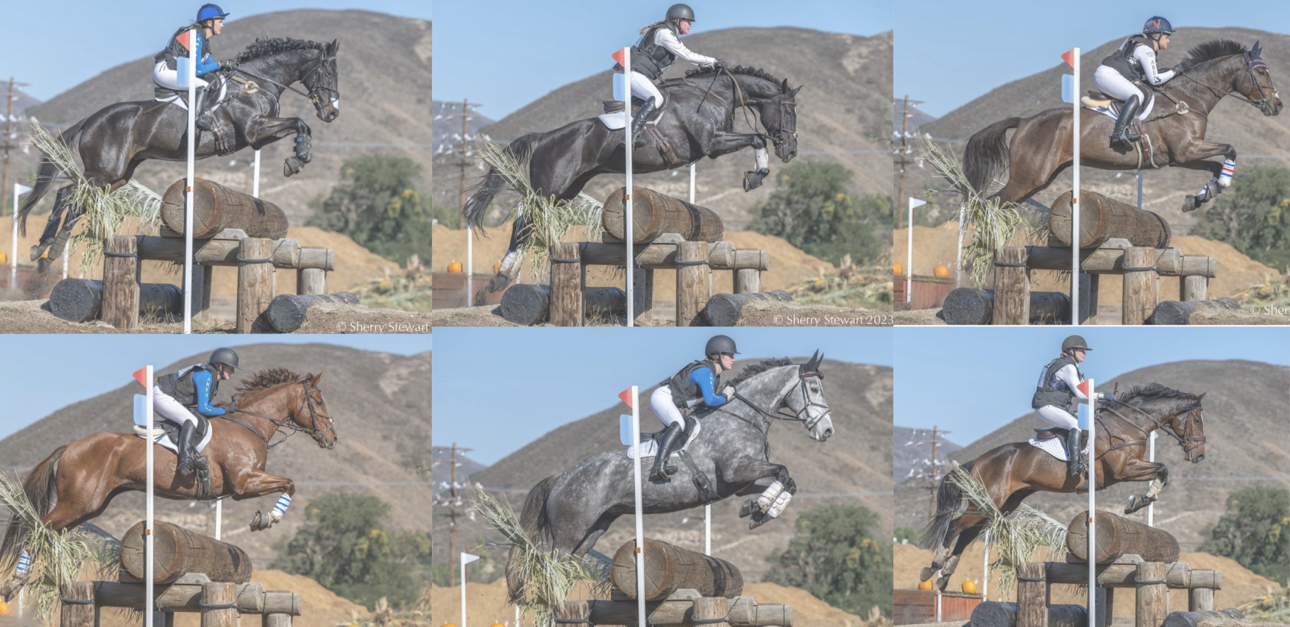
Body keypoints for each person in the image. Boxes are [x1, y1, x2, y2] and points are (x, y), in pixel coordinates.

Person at [617, 4, 726, 147]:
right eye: (688, 21)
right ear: (677, 20)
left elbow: (691, 59)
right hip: (631, 73)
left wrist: (710, 66)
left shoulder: (673, 38)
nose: (690, 25)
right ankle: (630, 136)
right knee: (657, 98)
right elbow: (688, 55)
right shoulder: (664, 34)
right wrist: (714, 61)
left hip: (637, 74)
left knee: (661, 98)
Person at [647, 335, 739, 481]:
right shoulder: (705, 372)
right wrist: (726, 396)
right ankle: (657, 466)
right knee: (678, 424)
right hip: (662, 397)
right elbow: (711, 400)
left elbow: (703, 403)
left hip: (671, 401)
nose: (733, 359)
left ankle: (654, 446)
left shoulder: (713, 375)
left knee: (684, 426)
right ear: (717, 355)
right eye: (730, 355)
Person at [1093, 16, 1184, 148]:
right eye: (1166, 37)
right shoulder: (1146, 50)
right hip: (1108, 75)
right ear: (1157, 36)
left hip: (1105, 74)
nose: (1168, 40)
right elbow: (1154, 79)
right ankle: (1118, 133)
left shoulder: (1135, 41)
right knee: (1137, 95)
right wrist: (1174, 72)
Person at [1031, 335, 1114, 477]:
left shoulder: (1067, 364)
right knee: (1075, 425)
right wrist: (1102, 396)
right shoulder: (1068, 367)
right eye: (1082, 350)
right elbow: (1081, 393)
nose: (1085, 353)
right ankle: (1075, 466)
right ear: (1071, 351)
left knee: (1085, 420)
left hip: (1052, 405)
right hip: (1046, 406)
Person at [153, 347, 239, 475]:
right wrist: (224, 410)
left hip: (170, 397)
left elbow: (206, 410)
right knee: (190, 420)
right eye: (231, 367)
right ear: (220, 366)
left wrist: (223, 411)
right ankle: (184, 462)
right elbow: (203, 408)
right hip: (161, 395)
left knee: (196, 419)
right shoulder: (205, 376)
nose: (233, 371)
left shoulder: (213, 380)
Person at [153, 4, 234, 133]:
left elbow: (210, 66)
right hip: (164, 71)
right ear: (209, 22)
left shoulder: (205, 41)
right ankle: (198, 120)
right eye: (220, 21)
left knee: (210, 82)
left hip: (175, 72)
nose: (222, 25)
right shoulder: (196, 36)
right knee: (202, 85)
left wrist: (225, 67)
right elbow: (197, 70)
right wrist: (220, 64)